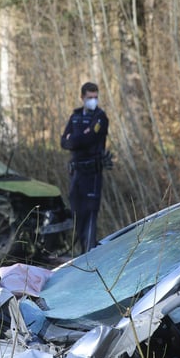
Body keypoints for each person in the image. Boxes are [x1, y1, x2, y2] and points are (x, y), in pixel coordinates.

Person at [60, 81, 109, 254]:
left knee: (90, 214)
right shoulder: (75, 116)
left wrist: (75, 139)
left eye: (95, 98)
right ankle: (82, 254)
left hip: (92, 173)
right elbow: (64, 141)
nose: (93, 101)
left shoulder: (100, 118)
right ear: (82, 97)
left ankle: (89, 254)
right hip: (76, 173)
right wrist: (78, 138)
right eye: (90, 98)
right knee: (77, 213)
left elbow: (87, 139)